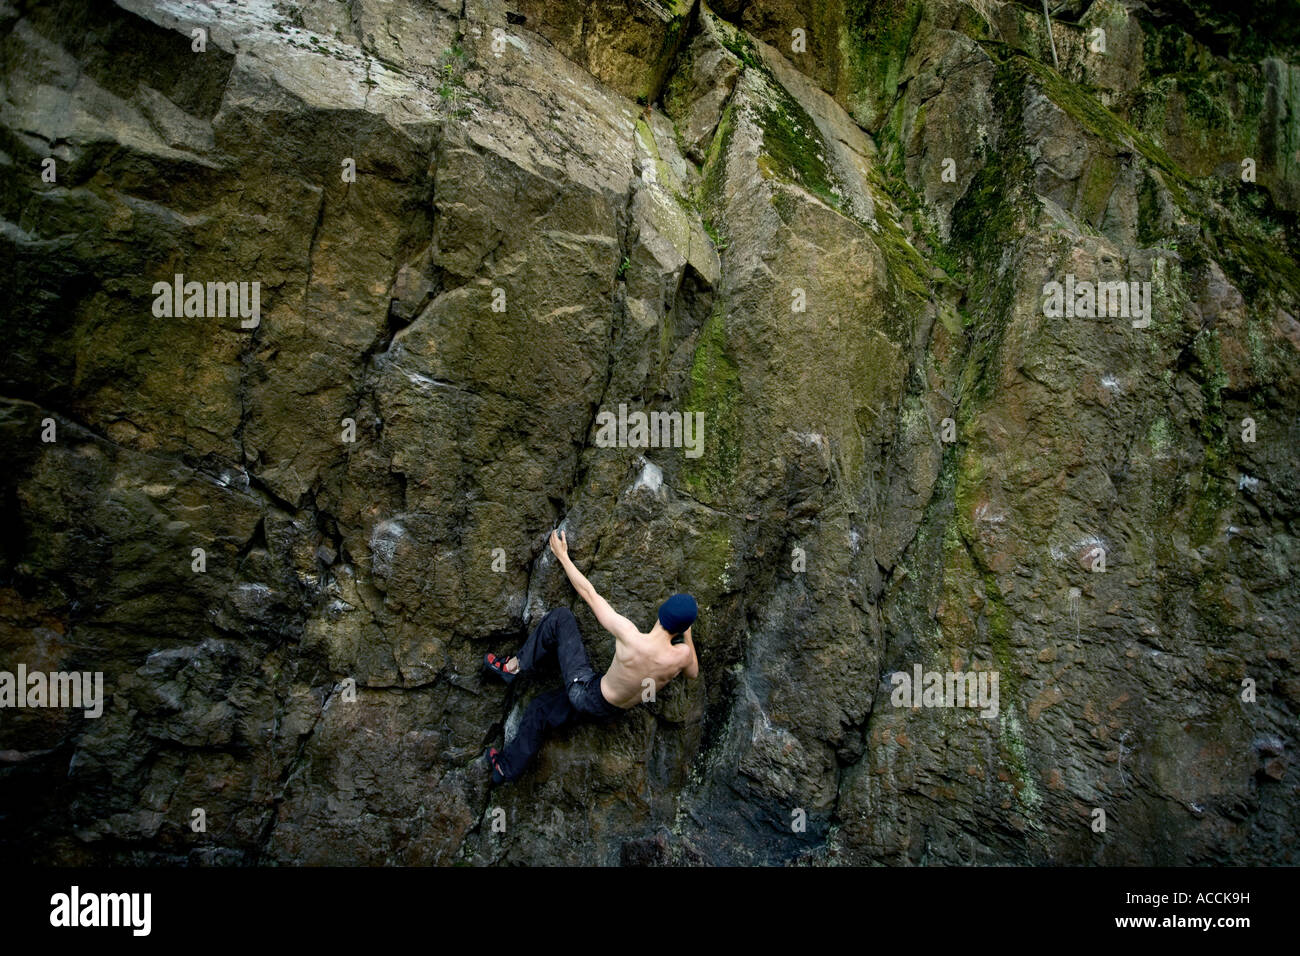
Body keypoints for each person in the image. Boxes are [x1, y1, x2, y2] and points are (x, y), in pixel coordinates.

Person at [482, 529, 699, 783]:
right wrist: (688, 634)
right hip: (611, 710)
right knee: (539, 709)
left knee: (561, 618)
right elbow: (693, 672)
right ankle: (505, 769)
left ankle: (512, 668)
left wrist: (563, 557)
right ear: (682, 628)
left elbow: (589, 594)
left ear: (662, 613)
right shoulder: (681, 656)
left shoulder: (631, 638)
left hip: (587, 693)